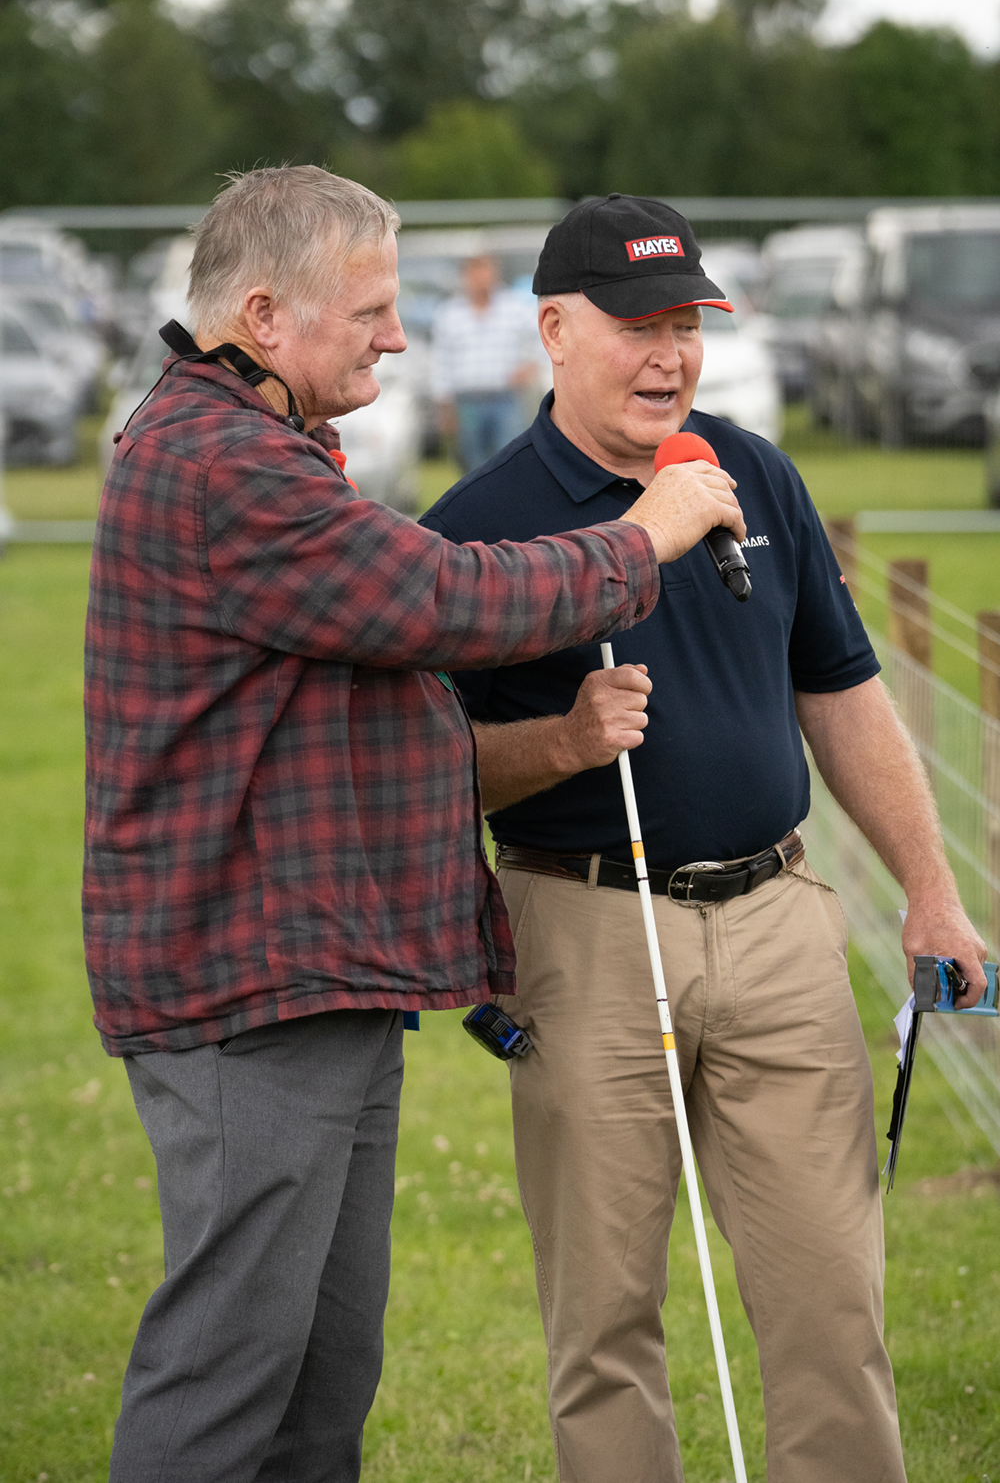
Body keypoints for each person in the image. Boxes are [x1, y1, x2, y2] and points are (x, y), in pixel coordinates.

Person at [83, 168, 747, 1483]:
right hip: (248, 995)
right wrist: (647, 534)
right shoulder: (225, 468)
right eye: (375, 308)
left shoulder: (265, 446)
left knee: (321, 1380)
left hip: (314, 979)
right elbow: (442, 598)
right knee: (228, 1381)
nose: (403, 335)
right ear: (266, 317)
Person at [421, 194, 988, 1483]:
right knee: (606, 1320)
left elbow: (841, 694)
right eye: (636, 326)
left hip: (784, 921)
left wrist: (932, 892)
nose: (668, 354)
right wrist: (560, 742)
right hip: (583, 934)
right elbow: (422, 769)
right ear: (555, 330)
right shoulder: (473, 526)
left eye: (685, 323)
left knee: (832, 1305)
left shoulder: (750, 471)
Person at [431, 253, 542, 471]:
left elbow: (542, 337)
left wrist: (530, 366)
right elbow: (441, 362)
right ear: (465, 276)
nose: (480, 278)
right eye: (474, 272)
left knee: (510, 460)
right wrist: (444, 405)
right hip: (467, 400)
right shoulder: (450, 313)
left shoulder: (515, 307)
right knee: (472, 462)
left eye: (485, 271)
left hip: (505, 398)